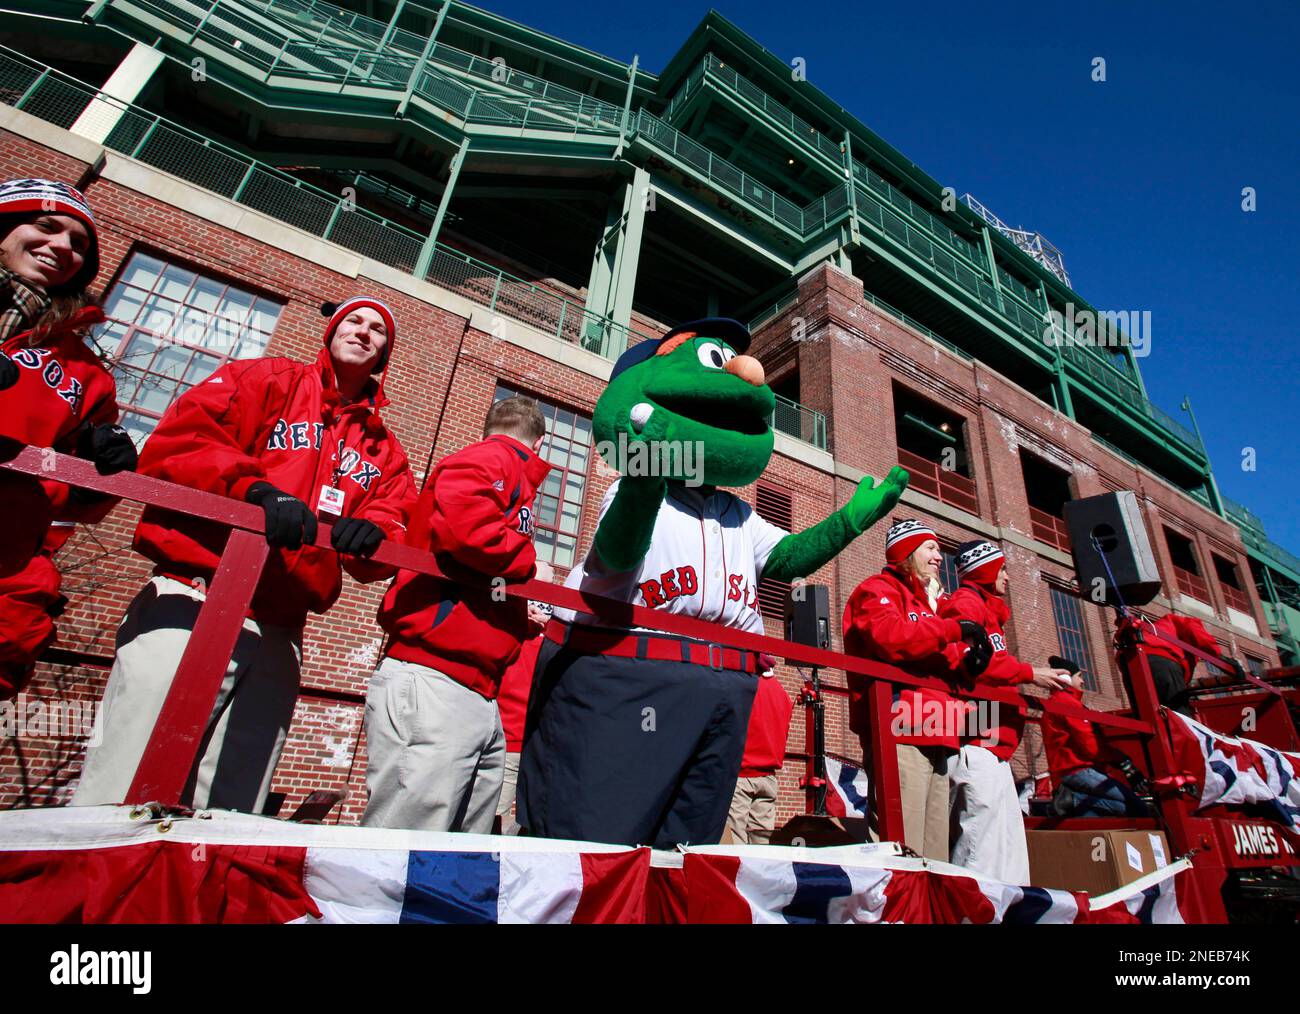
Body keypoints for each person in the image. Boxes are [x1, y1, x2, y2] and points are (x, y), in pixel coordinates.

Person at [73, 297, 416, 812]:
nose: (364, 333)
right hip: (195, 596)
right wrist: (253, 490)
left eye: (378, 331)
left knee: (232, 806)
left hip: (282, 629)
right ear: (331, 332)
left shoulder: (382, 448)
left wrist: (374, 532)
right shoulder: (266, 379)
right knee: (128, 783)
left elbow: (395, 519)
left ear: (385, 354)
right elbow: (184, 438)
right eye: (354, 321)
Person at [364, 396, 551, 833]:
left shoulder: (507, 470)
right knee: (403, 841)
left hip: (474, 687)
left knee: (456, 844)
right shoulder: (494, 458)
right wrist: (528, 562)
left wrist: (515, 618)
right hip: (435, 676)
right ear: (540, 444)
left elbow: (477, 564)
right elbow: (468, 532)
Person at [0, 178, 136, 694]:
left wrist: (103, 473)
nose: (62, 247)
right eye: (46, 226)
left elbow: (76, 506)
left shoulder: (84, 371)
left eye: (79, 245)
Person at [842, 519, 991, 860]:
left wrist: (970, 663)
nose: (939, 557)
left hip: (938, 728)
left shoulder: (927, 606)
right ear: (906, 553)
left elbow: (944, 653)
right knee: (902, 843)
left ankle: (931, 910)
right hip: (901, 725)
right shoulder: (877, 589)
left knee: (936, 850)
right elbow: (890, 638)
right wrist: (954, 629)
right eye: (931, 548)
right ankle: (901, 912)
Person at [940, 540, 1072, 882]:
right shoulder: (966, 603)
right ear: (983, 570)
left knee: (1008, 858)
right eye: (1001, 569)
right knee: (979, 856)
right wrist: (1032, 673)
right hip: (976, 744)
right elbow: (969, 662)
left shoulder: (987, 610)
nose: (1008, 577)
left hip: (995, 748)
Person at [494, 561, 554, 835]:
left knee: (532, 824)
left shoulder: (552, 635)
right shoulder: (507, 621)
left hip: (537, 746)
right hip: (506, 740)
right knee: (495, 820)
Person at [1041, 673, 1146, 817]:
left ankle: (1070, 805)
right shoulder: (1067, 703)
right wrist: (1120, 759)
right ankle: (1073, 801)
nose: (1083, 681)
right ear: (1066, 678)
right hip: (1078, 769)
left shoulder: (1059, 702)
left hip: (1070, 770)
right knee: (1137, 806)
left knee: (1120, 808)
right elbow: (1090, 744)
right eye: (1079, 676)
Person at [726, 654, 792, 845]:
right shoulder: (782, 693)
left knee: (735, 844)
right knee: (762, 846)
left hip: (742, 776)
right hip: (768, 778)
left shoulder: (745, 687)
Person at [1142, 612, 1222, 716]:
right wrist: (1219, 656)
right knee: (1180, 715)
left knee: (1147, 714)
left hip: (1133, 665)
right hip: (1162, 660)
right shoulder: (1182, 622)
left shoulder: (1156, 630)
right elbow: (1193, 629)